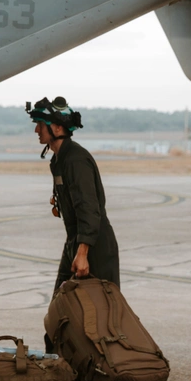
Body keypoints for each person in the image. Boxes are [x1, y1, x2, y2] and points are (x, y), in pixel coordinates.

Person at [26, 97, 119, 291]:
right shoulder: (60, 159)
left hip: (94, 248)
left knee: (100, 314)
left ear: (58, 128)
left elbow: (88, 208)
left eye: (41, 125)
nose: (36, 130)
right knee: (61, 310)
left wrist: (83, 253)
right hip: (75, 243)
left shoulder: (75, 160)